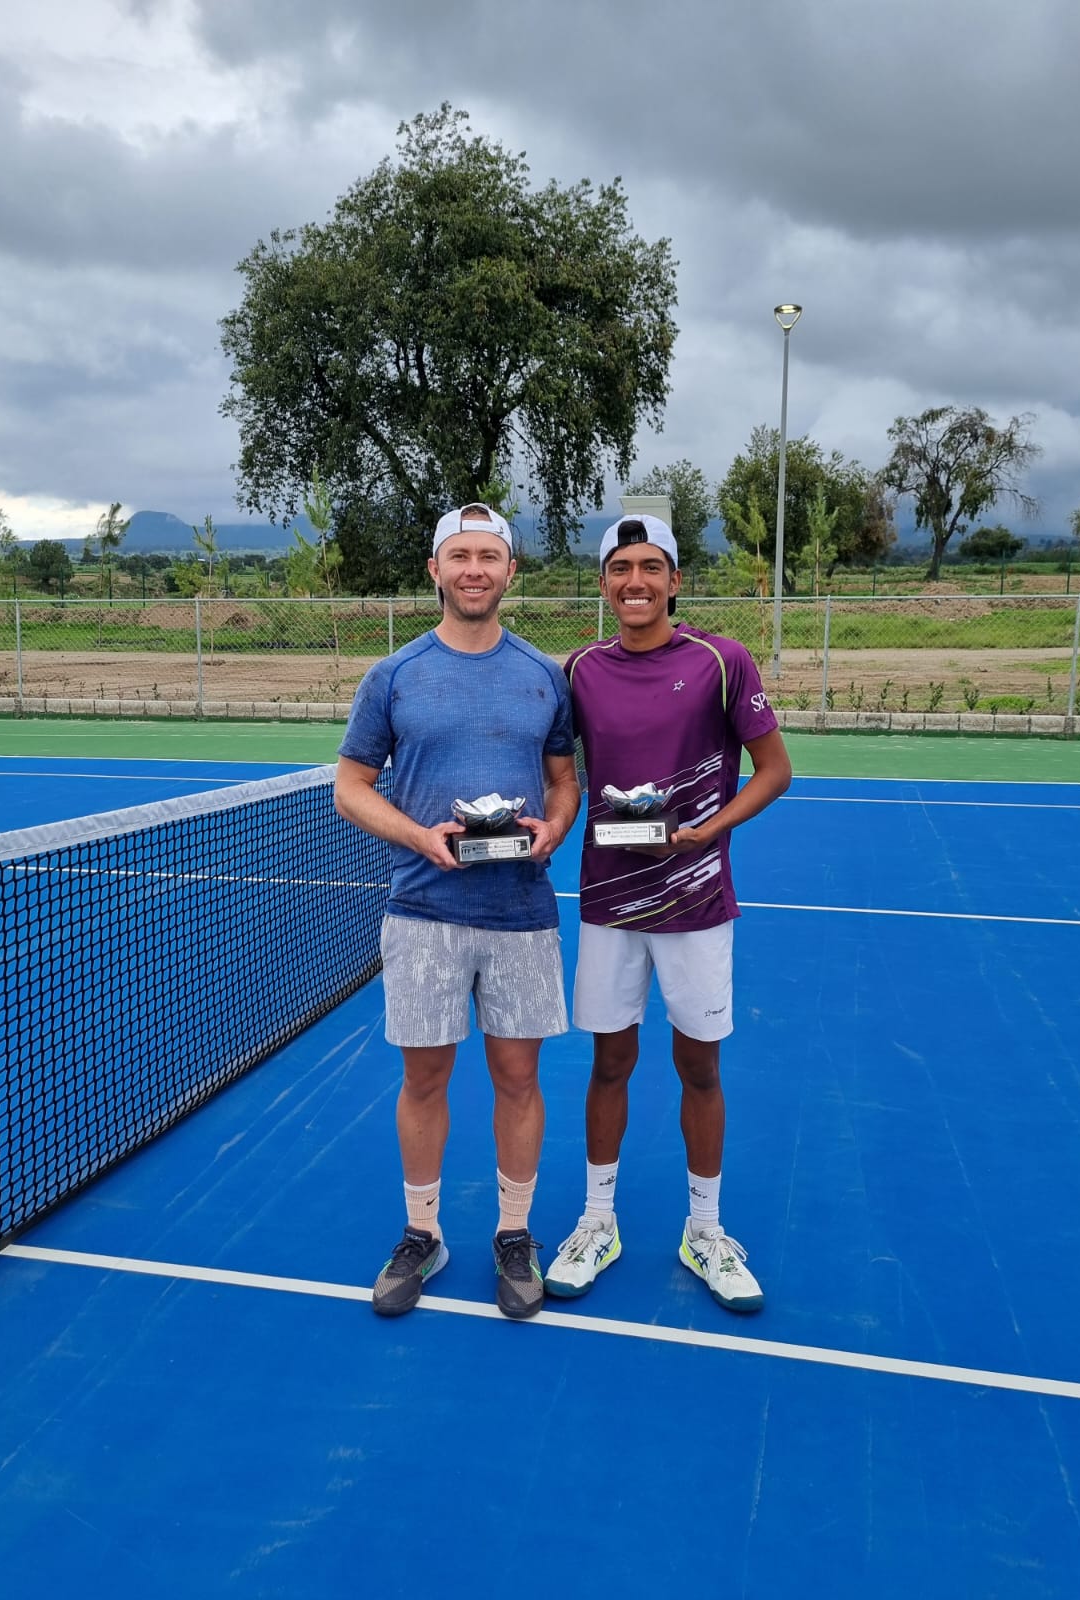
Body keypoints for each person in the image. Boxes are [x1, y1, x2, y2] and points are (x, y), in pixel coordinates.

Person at [335, 502, 581, 1321]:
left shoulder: (545, 674)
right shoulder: (393, 676)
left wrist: (555, 825)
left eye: (489, 556)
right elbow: (350, 789)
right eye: (459, 557)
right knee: (425, 1077)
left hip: (520, 913)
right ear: (435, 571)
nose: (475, 570)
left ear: (512, 571)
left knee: (518, 1078)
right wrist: (418, 836)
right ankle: (423, 1232)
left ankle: (515, 1234)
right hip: (422, 912)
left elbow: (563, 780)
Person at [543, 514, 792, 1312]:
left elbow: (774, 771)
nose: (636, 581)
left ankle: (706, 1232)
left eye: (651, 566)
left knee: (700, 1068)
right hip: (611, 902)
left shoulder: (723, 661)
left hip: (697, 901)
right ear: (606, 581)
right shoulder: (577, 669)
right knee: (609, 1063)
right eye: (621, 567)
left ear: (676, 580)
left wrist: (705, 831)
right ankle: (596, 1223)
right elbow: (557, 774)